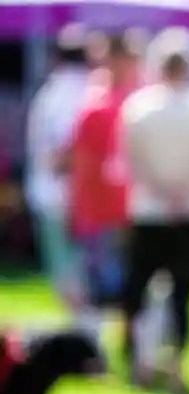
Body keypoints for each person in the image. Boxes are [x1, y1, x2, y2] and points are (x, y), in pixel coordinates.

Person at [119, 28, 189, 394]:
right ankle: (175, 364)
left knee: (141, 289)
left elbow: (131, 163)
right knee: (181, 294)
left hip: (151, 211)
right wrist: (185, 195)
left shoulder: (138, 107)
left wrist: (164, 194)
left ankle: (139, 360)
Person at [69, 32, 141, 326]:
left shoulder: (141, 101)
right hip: (102, 212)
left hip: (136, 210)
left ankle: (132, 347)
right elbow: (82, 165)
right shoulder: (95, 106)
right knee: (102, 285)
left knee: (134, 284)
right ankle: (96, 351)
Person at [26, 25, 90, 321]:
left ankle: (84, 330)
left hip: (59, 195)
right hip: (71, 193)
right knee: (79, 263)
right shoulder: (81, 90)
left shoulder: (57, 92)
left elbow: (64, 150)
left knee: (68, 266)